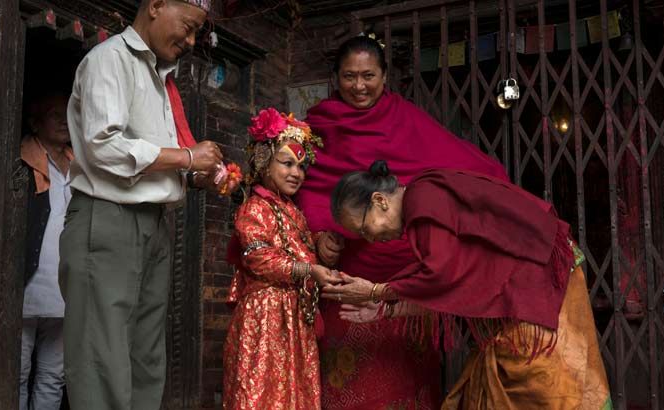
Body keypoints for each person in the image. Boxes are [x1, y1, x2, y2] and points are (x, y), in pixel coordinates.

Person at [294, 35, 509, 409]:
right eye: (349, 76)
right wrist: (317, 230)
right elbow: (304, 187)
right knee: (347, 383)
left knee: (404, 381)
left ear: (385, 76)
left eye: (368, 75)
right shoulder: (319, 126)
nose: (359, 86)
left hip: (404, 277)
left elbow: (461, 168)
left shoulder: (406, 120)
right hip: (347, 274)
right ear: (335, 78)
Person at [322, 160, 613, 410]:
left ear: (379, 201)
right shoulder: (423, 196)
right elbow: (458, 284)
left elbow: (440, 276)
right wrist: (387, 309)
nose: (371, 240)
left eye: (363, 229)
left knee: (547, 387)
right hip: (535, 278)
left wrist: (376, 291)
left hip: (542, 280)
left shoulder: (422, 205)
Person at [59, 1, 229, 409]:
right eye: (188, 28)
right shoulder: (110, 60)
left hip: (153, 222)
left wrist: (195, 174)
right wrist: (187, 158)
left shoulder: (160, 78)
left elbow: (156, 156)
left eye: (196, 33)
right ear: (155, 6)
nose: (190, 41)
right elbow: (104, 146)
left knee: (146, 352)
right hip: (108, 218)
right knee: (101, 354)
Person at [222, 108, 340, 409]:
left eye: (301, 167)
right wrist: (308, 270)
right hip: (266, 316)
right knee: (263, 392)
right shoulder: (255, 209)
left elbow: (296, 245)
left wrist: (320, 242)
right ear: (264, 163)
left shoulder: (293, 211)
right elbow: (258, 257)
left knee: (293, 392)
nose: (295, 173)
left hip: (294, 315)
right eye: (286, 163)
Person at [19, 93, 72, 410]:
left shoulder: (78, 165)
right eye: (55, 113)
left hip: (66, 288)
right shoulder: (21, 161)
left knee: (53, 377)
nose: (64, 120)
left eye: (67, 114)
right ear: (35, 123)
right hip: (28, 287)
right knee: (17, 371)